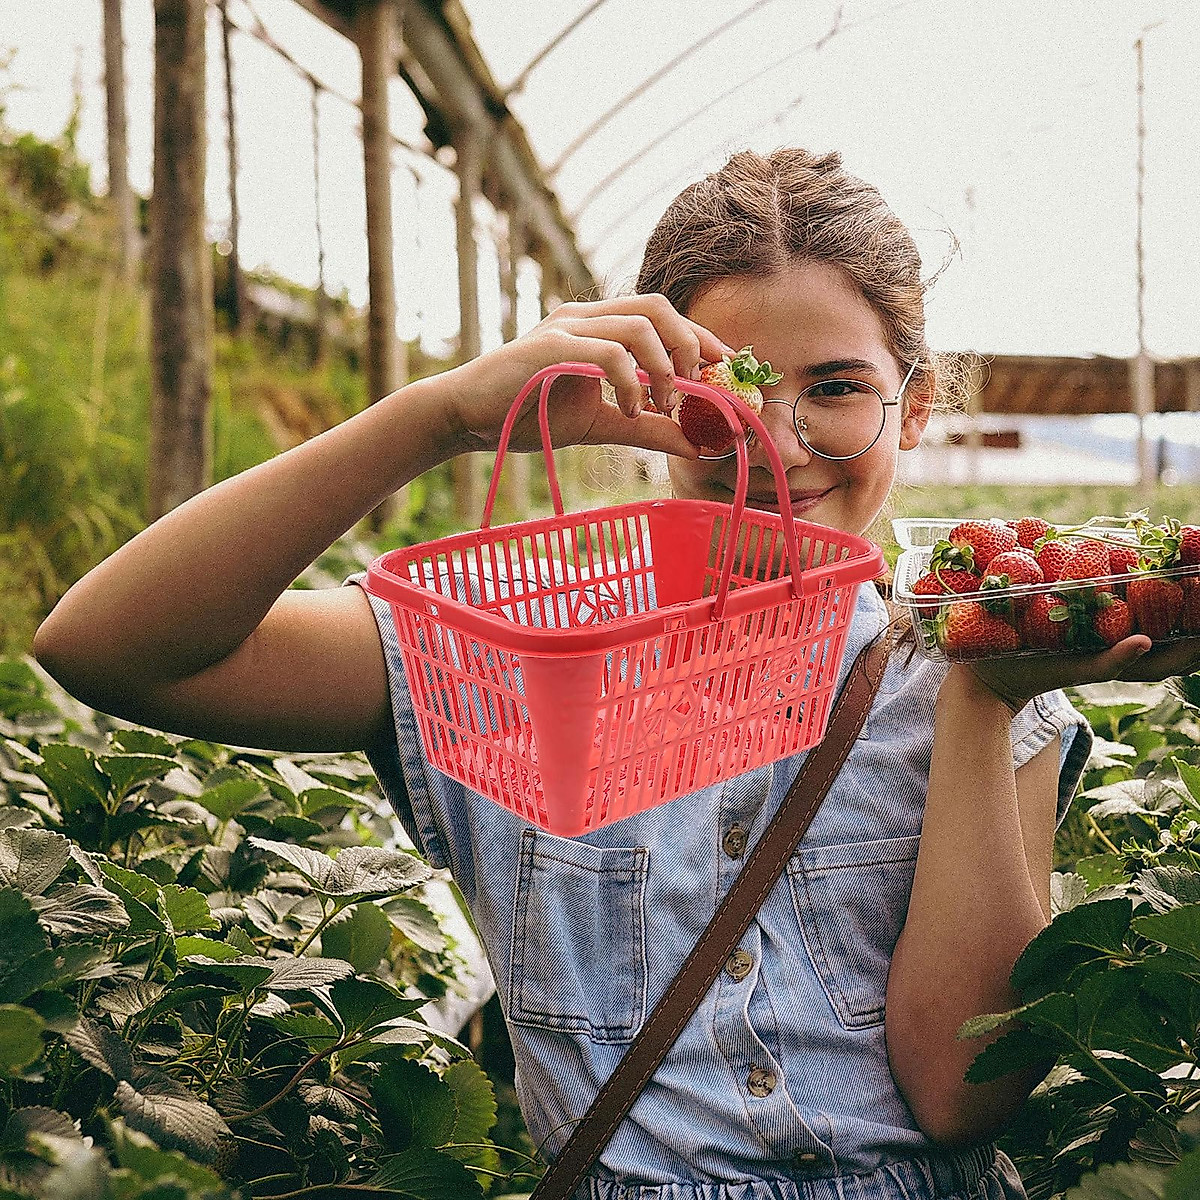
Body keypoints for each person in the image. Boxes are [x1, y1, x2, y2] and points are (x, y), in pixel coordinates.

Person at [32, 147, 1200, 1200]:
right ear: (645, 393)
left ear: (917, 405)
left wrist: (980, 708)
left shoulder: (981, 670)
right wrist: (440, 417)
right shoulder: (503, 651)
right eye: (727, 396)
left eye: (836, 389)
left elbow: (960, 1095)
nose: (780, 446)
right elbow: (108, 647)